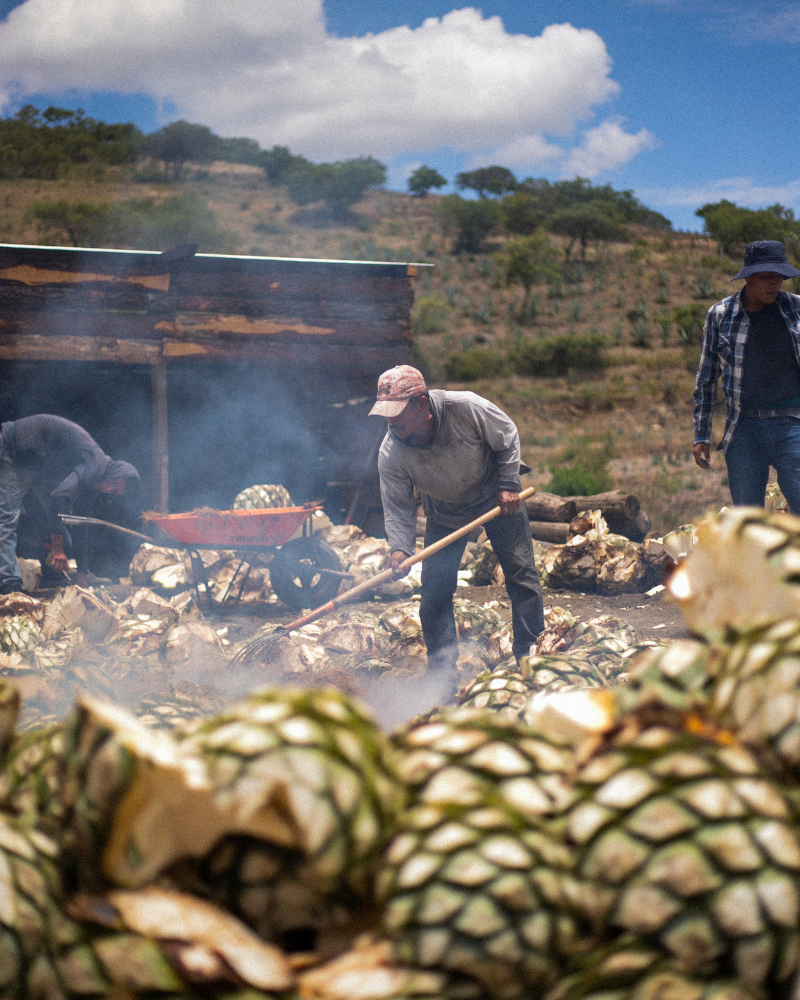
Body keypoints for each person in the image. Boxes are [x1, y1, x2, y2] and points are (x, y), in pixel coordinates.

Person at [370, 365, 544, 695]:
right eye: (385, 414)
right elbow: (398, 505)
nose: (390, 422)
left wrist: (509, 483)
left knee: (521, 575)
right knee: (434, 589)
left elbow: (507, 436)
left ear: (421, 404)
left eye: (396, 413)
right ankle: (441, 674)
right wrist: (399, 549)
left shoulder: (465, 407)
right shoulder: (391, 452)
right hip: (446, 512)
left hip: (496, 499)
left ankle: (530, 658)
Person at [693, 240, 800, 511]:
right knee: (747, 518)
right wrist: (701, 434)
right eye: (766, 278)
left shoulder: (796, 309)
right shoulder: (720, 315)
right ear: (749, 278)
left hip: (792, 424)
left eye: (779, 278)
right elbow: (707, 379)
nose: (774, 284)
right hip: (743, 428)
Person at [0, 415, 140, 592]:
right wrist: (57, 547)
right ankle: (9, 583)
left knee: (64, 521)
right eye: (114, 485)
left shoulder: (92, 484)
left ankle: (66, 574)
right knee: (6, 518)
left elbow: (81, 523)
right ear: (114, 473)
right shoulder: (96, 465)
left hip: (38, 461)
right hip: (16, 446)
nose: (109, 491)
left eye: (115, 492)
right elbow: (59, 497)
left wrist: (82, 573)